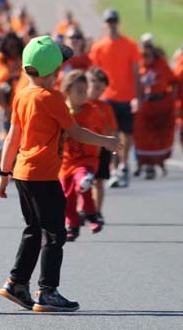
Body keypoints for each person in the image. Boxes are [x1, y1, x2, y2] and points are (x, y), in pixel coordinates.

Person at [0, 36, 121, 312]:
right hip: (44, 176)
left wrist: (4, 173)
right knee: (54, 234)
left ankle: (16, 282)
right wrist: (107, 141)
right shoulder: (51, 98)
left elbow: (11, 138)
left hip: (23, 173)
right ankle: (47, 291)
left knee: (33, 230)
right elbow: (75, 131)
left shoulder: (22, 95)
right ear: (53, 73)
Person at [88, 9, 141, 187]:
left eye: (114, 21)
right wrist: (94, 95)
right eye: (108, 21)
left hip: (126, 96)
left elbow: (136, 73)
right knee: (111, 134)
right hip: (107, 97)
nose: (111, 24)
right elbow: (94, 73)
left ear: (117, 23)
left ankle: (124, 165)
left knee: (127, 134)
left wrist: (137, 97)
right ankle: (114, 166)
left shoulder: (130, 45)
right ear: (104, 23)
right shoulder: (98, 46)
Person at [59, 70, 105, 241]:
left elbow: (102, 129)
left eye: (85, 91)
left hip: (86, 160)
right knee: (67, 197)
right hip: (65, 162)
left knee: (83, 183)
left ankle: (92, 215)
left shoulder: (92, 110)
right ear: (68, 91)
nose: (84, 95)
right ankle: (72, 224)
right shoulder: (61, 111)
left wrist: (105, 143)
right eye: (79, 91)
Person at [132, 40, 176, 179]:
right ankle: (144, 164)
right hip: (145, 103)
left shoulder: (161, 64)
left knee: (161, 134)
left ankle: (160, 162)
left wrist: (172, 100)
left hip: (161, 103)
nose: (146, 57)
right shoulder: (137, 66)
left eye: (148, 53)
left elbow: (173, 82)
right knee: (142, 135)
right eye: (143, 54)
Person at [85, 67, 117, 218]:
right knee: (81, 181)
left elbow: (111, 129)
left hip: (101, 148)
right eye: (94, 87)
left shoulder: (105, 107)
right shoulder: (78, 104)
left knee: (98, 181)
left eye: (101, 89)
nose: (97, 91)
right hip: (82, 148)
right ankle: (82, 209)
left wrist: (113, 148)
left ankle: (97, 211)